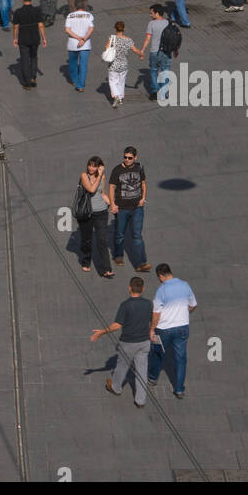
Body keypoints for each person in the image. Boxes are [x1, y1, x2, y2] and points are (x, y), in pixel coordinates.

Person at [90, 277, 153, 408]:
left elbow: (117, 325)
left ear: (129, 288)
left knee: (121, 367)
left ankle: (116, 387)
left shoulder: (126, 305)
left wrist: (102, 332)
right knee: (142, 370)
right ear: (143, 289)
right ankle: (140, 400)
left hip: (128, 342)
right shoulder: (148, 304)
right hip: (144, 342)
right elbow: (154, 318)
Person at [147, 264, 198, 399]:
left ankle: (153, 378)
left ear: (161, 276)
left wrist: (152, 329)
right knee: (181, 359)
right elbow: (193, 305)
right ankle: (179, 389)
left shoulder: (161, 290)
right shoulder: (185, 285)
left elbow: (156, 313)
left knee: (157, 352)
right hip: (182, 327)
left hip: (163, 329)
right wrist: (183, 312)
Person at [109, 147, 149, 272]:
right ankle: (118, 256)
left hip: (137, 208)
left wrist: (143, 198)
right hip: (122, 209)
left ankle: (141, 263)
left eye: (130, 158)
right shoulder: (117, 170)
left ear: (135, 158)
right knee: (120, 235)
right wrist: (112, 204)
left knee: (137, 236)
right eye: (125, 157)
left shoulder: (139, 167)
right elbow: (111, 188)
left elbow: (143, 183)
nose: (127, 160)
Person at [76, 156, 113, 277]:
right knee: (87, 240)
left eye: (94, 166)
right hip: (87, 213)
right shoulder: (84, 176)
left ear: (99, 166)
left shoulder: (102, 177)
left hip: (101, 212)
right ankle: (86, 261)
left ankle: (106, 269)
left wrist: (112, 204)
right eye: (90, 165)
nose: (91, 168)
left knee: (102, 240)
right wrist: (99, 175)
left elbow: (102, 193)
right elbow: (92, 190)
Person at [104, 20, 143, 108]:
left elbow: (106, 48)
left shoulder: (112, 38)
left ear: (115, 28)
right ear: (124, 29)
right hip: (124, 64)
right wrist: (141, 54)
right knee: (121, 81)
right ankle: (121, 98)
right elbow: (135, 50)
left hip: (114, 64)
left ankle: (116, 95)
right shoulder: (128, 40)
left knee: (112, 81)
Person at [11, 0, 46, 90]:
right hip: (35, 39)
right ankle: (33, 78)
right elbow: (41, 25)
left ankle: (27, 83)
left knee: (25, 60)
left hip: (23, 40)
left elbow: (16, 26)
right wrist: (44, 38)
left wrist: (15, 38)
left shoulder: (18, 12)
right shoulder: (37, 11)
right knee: (34, 57)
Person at [140, 4, 171, 102]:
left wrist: (142, 50)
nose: (150, 15)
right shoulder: (168, 23)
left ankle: (155, 91)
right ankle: (164, 92)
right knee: (165, 71)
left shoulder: (151, 24)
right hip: (166, 52)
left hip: (154, 51)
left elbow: (148, 39)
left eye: (151, 13)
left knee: (153, 71)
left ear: (157, 13)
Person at [65, 0, 95, 93]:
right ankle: (81, 85)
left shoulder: (70, 16)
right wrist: (84, 39)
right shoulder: (89, 15)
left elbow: (67, 30)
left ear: (75, 6)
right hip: (85, 45)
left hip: (73, 44)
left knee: (73, 64)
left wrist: (78, 38)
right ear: (84, 6)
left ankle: (75, 81)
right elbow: (91, 28)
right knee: (83, 65)